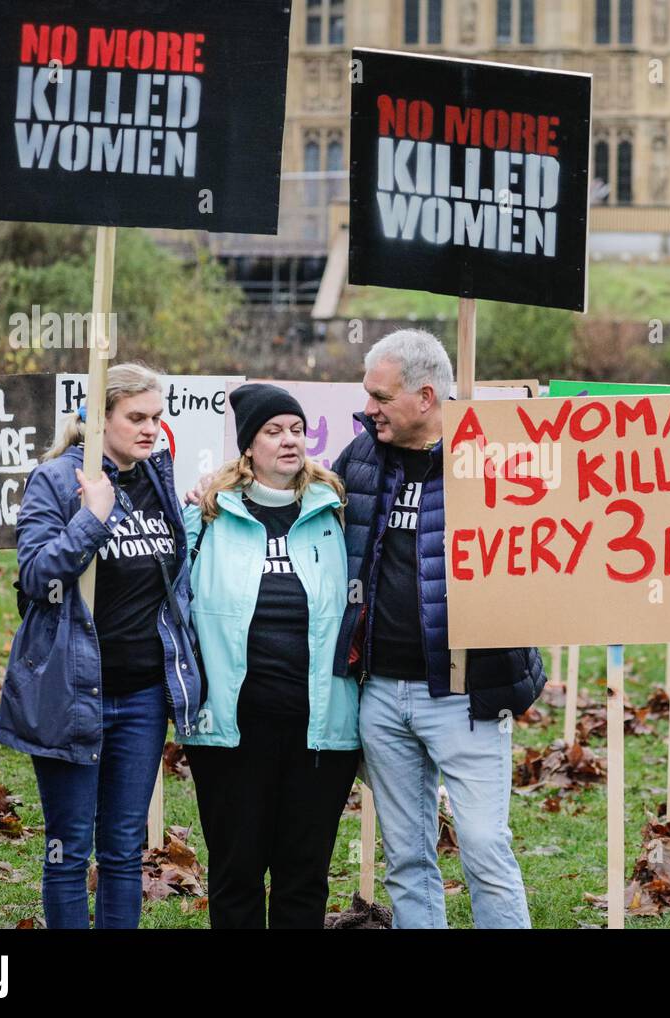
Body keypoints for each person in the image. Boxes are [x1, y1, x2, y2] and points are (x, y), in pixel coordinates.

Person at [330, 328, 544, 929]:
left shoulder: (493, 459)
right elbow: (304, 509)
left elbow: (552, 540)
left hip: (466, 694)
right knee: (406, 856)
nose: (367, 408)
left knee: (482, 846)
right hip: (379, 693)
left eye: (380, 396)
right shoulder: (363, 456)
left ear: (426, 397)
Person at [0, 363, 203, 929]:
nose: (150, 429)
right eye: (136, 417)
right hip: (70, 691)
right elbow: (38, 576)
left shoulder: (157, 477)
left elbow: (173, 578)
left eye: (156, 417)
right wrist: (92, 517)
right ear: (97, 418)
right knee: (68, 850)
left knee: (122, 851)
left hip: (142, 698)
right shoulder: (59, 481)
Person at [178, 384, 359, 929]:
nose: (290, 441)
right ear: (248, 447)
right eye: (273, 431)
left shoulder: (337, 511)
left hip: (320, 728)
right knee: (236, 872)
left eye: (297, 430)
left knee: (304, 876)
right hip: (232, 729)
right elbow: (168, 602)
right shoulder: (206, 516)